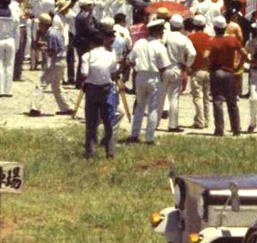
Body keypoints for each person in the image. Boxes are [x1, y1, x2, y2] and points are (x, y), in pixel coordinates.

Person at [128, 20, 171, 145]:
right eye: (162, 30)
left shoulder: (139, 43)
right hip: (154, 76)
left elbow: (131, 61)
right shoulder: (160, 46)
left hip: (140, 76)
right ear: (157, 31)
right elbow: (164, 66)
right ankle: (149, 138)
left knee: (139, 107)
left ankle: (134, 134)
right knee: (153, 109)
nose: (163, 33)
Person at [80, 29, 119, 159]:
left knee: (91, 122)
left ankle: (90, 151)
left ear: (91, 43)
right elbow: (114, 73)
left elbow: (84, 74)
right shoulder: (111, 55)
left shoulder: (87, 56)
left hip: (92, 89)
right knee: (109, 122)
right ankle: (110, 152)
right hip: (107, 90)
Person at [26, 13, 72, 116]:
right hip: (62, 61)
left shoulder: (51, 34)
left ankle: (35, 108)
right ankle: (66, 108)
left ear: (43, 24)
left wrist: (42, 48)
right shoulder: (55, 32)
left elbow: (53, 51)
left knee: (41, 84)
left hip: (57, 61)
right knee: (56, 87)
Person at [206, 18, 244, 136]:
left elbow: (205, 56)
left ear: (215, 28)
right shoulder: (233, 40)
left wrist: (209, 66)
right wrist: (238, 66)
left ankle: (219, 129)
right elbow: (244, 53)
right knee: (232, 101)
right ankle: (236, 128)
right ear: (224, 28)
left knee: (217, 101)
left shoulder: (211, 41)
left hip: (216, 72)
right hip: (229, 72)